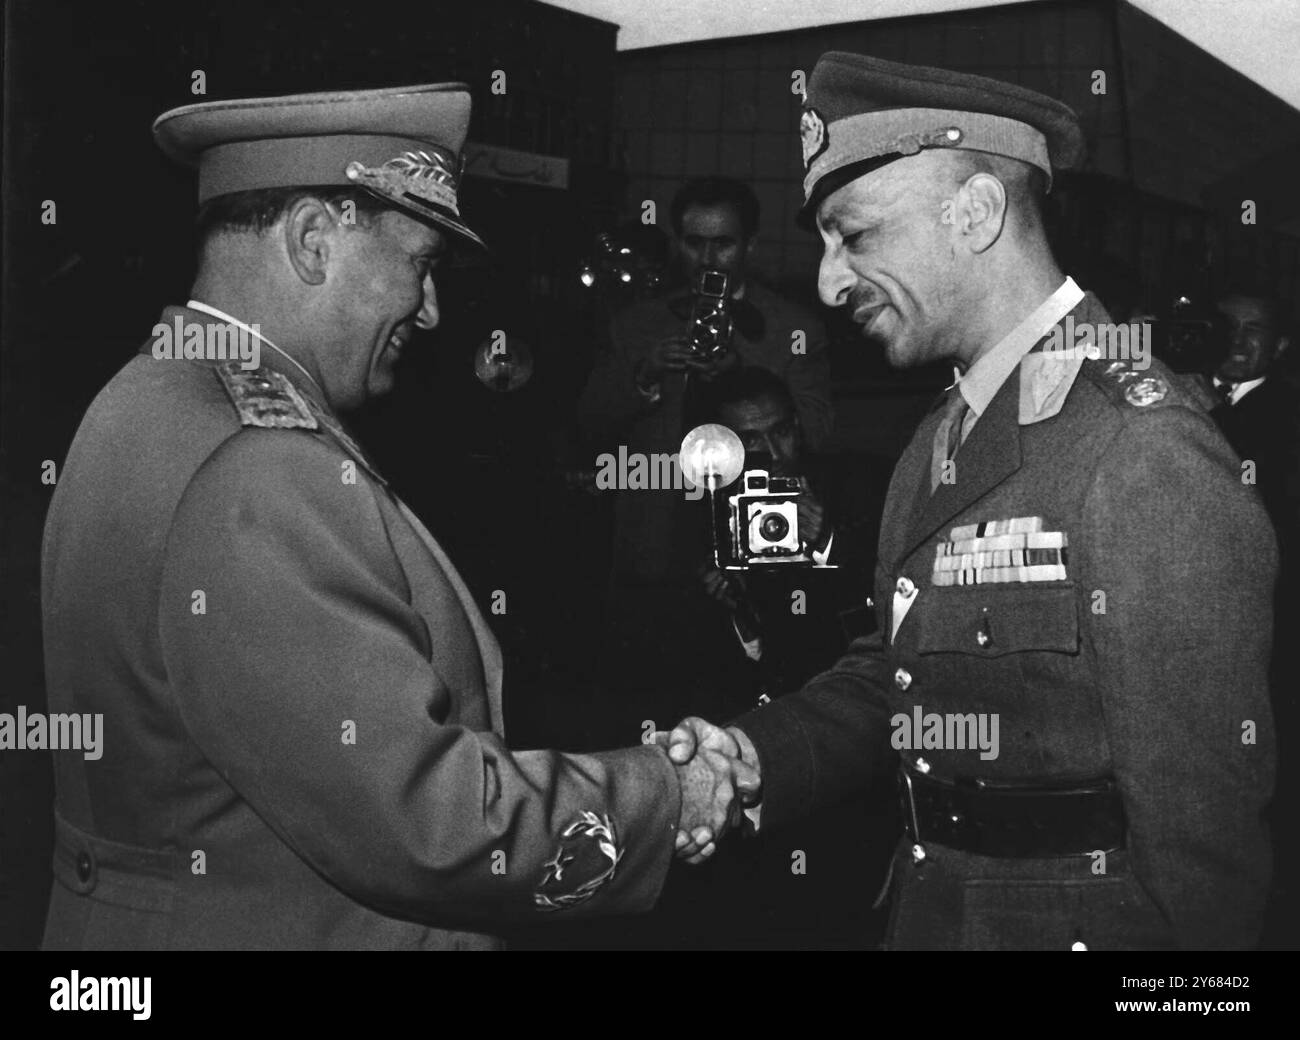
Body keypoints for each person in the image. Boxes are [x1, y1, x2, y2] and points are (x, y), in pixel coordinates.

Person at [39, 83, 754, 951]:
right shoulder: (258, 463)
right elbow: (432, 825)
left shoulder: (153, 393)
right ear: (312, 241)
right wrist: (663, 797)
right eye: (419, 264)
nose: (431, 310)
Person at [665, 51, 1277, 950]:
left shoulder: (1140, 449)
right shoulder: (944, 432)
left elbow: (1205, 859)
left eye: (855, 234)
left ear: (979, 212)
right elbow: (897, 675)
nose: (830, 282)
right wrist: (754, 759)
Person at [1209, 289, 1300, 948]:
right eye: (1226, 328)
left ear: (1281, 346)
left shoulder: (1281, 414)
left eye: (1256, 330)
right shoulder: (1189, 399)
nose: (1239, 341)